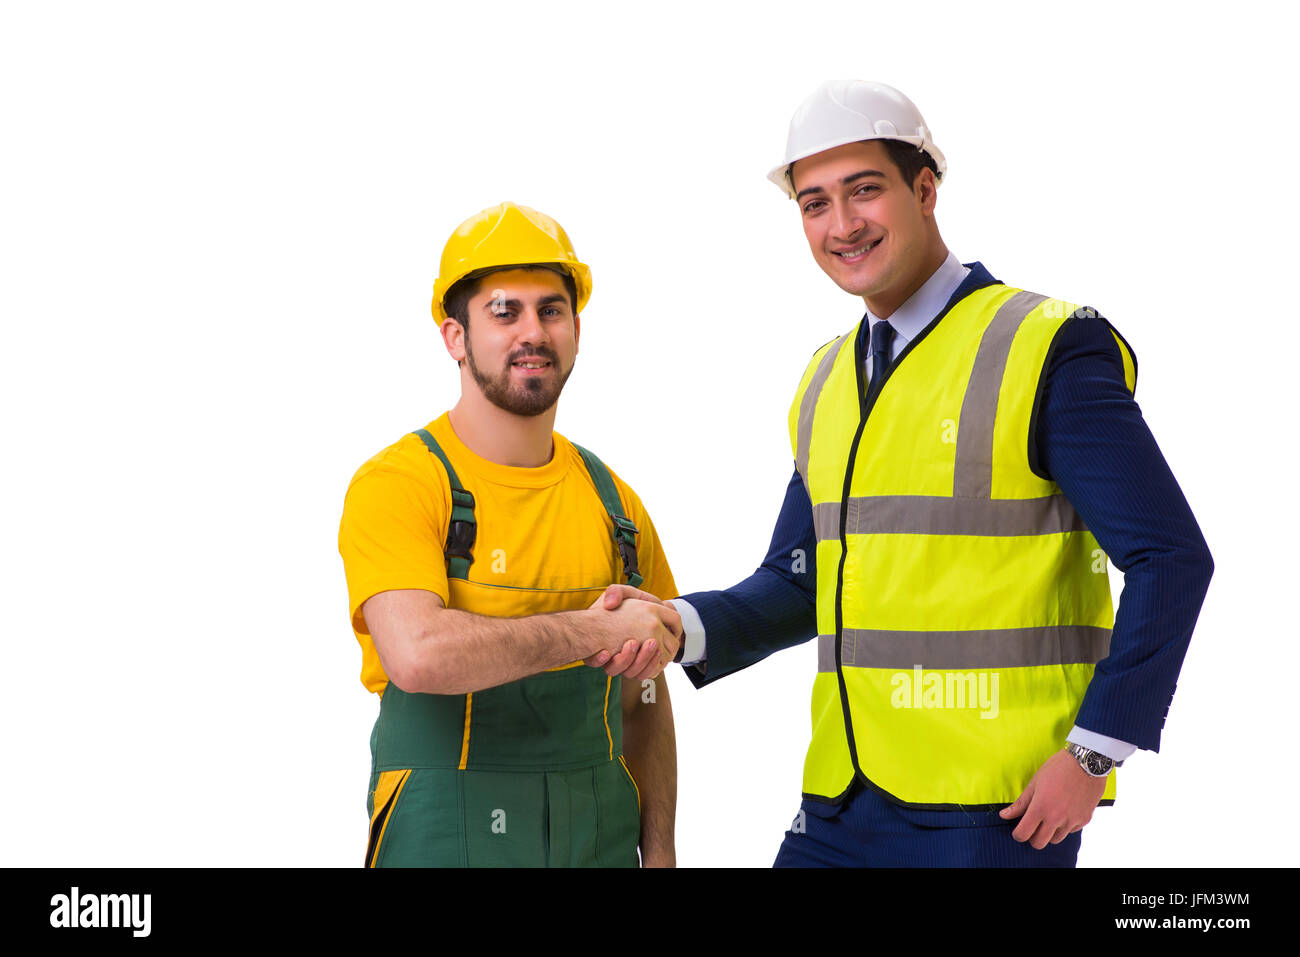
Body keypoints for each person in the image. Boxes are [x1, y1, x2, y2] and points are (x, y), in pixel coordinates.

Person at [596, 80, 1214, 867]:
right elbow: (799, 581)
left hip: (994, 812)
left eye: (864, 191)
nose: (842, 224)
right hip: (838, 802)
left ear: (925, 190)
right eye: (814, 203)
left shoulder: (1048, 344)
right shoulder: (826, 379)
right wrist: (677, 623)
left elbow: (1170, 558)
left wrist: (1094, 754)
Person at [338, 201, 682, 867]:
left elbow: (645, 694)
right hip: (446, 831)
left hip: (601, 836)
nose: (533, 330)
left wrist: (661, 847)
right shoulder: (403, 482)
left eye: (551, 310)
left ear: (577, 328)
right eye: (504, 311)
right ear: (455, 336)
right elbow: (418, 653)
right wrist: (593, 632)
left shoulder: (617, 504)